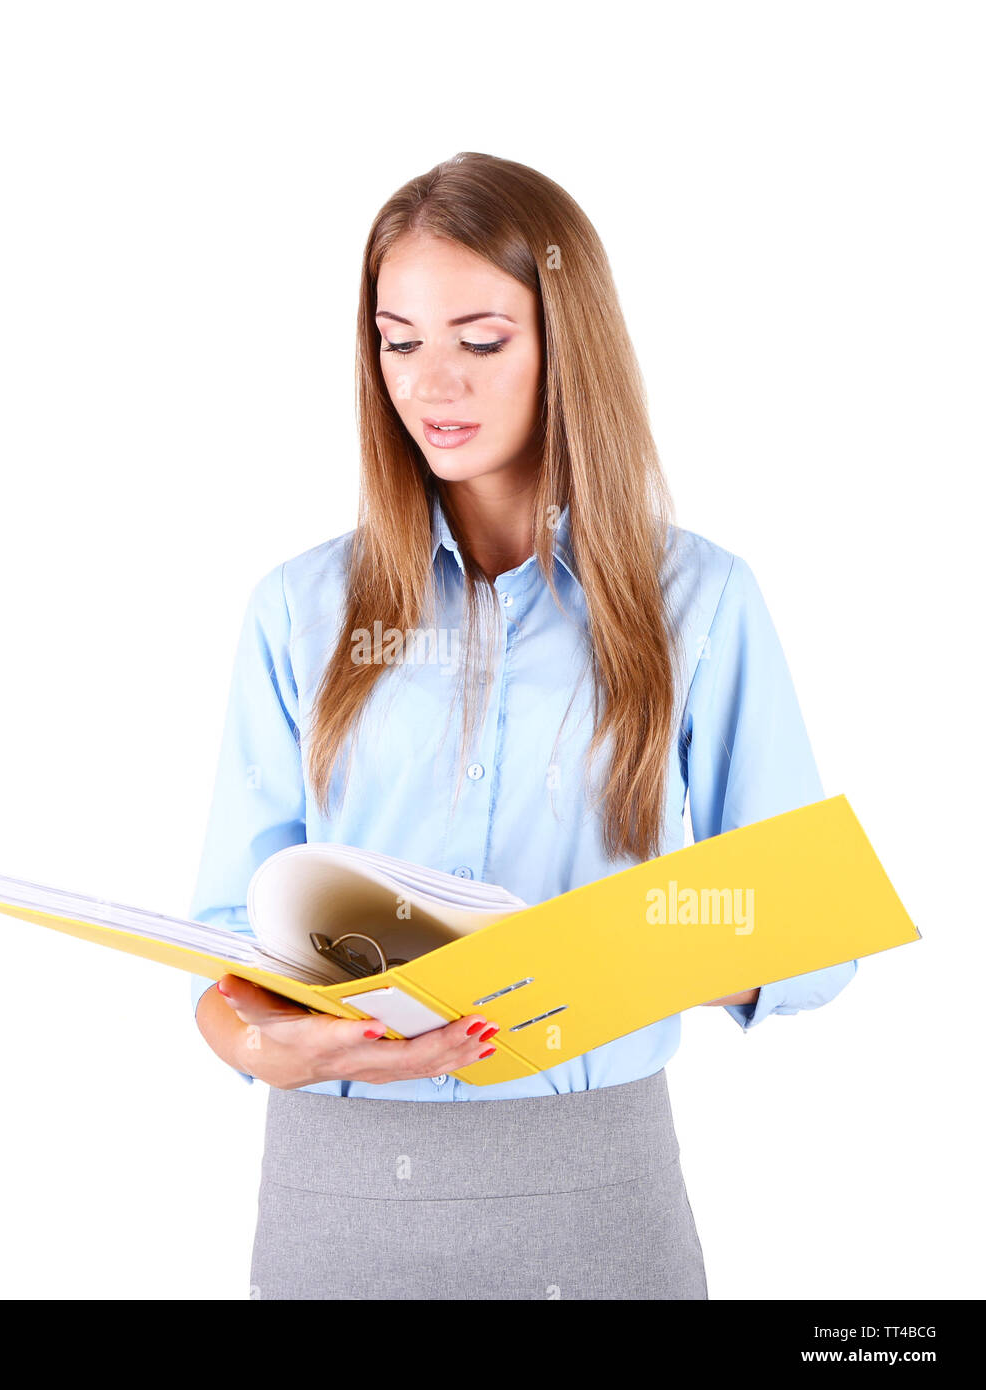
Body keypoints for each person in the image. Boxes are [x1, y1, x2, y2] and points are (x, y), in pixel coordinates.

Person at [187, 151, 857, 1301]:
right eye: (398, 341)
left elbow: (809, 932)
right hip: (334, 1198)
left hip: (594, 1195)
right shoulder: (296, 611)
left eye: (479, 340)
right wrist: (259, 1043)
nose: (430, 383)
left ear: (564, 343)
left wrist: (606, 961)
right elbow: (225, 943)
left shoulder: (698, 604)